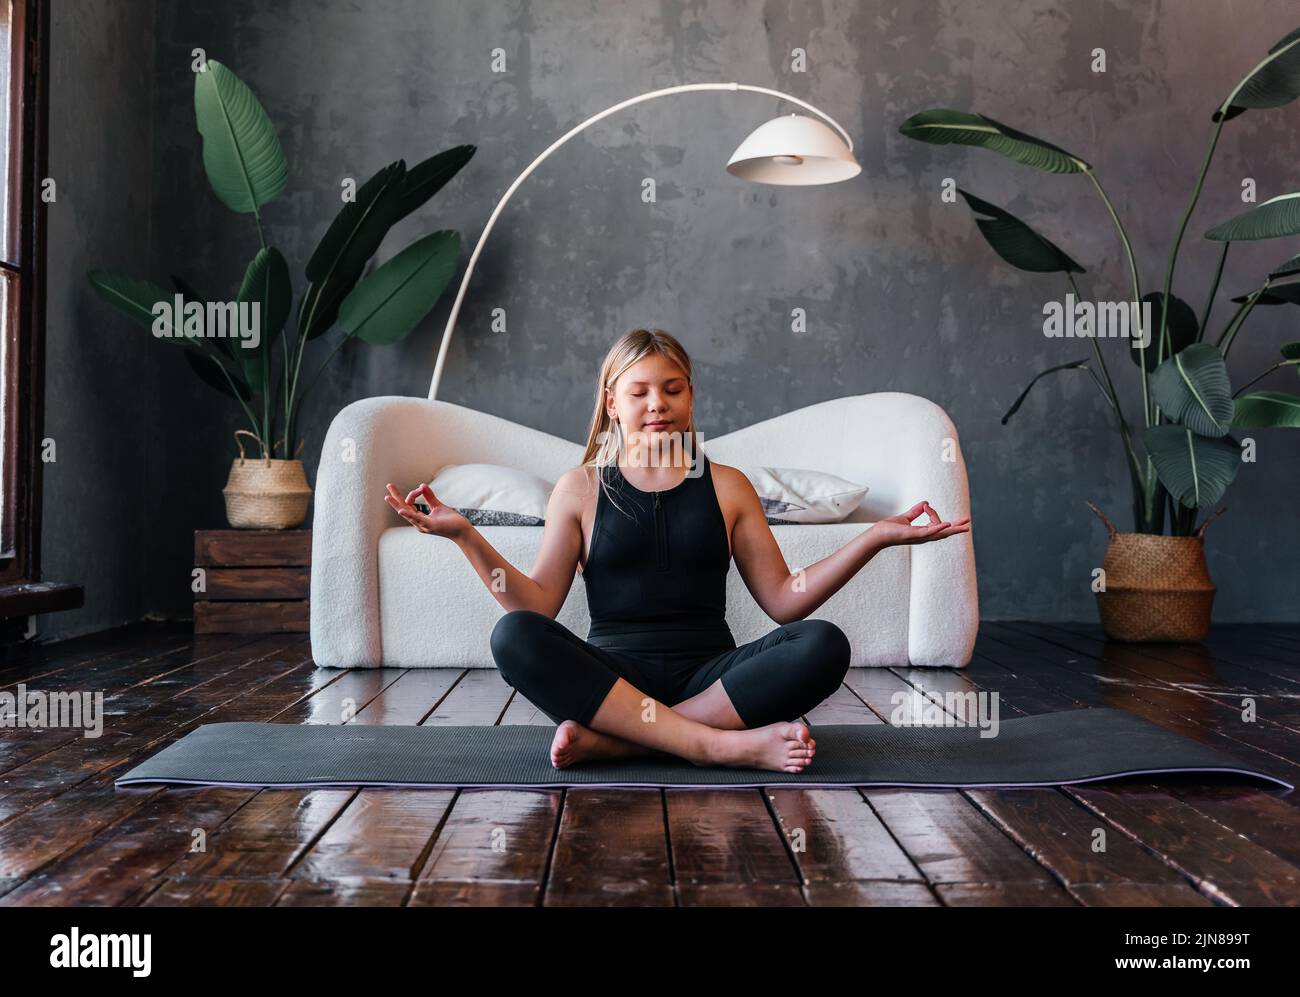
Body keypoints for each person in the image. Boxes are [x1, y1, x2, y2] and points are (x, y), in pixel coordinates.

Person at [384, 329, 971, 773]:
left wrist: (873, 537)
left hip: (711, 677)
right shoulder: (581, 487)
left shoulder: (727, 484)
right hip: (615, 677)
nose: (657, 404)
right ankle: (715, 747)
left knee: (823, 643)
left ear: (690, 397)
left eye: (672, 389)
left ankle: (622, 742)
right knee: (513, 636)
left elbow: (785, 601)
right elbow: (536, 608)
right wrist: (465, 535)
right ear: (612, 403)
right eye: (638, 392)